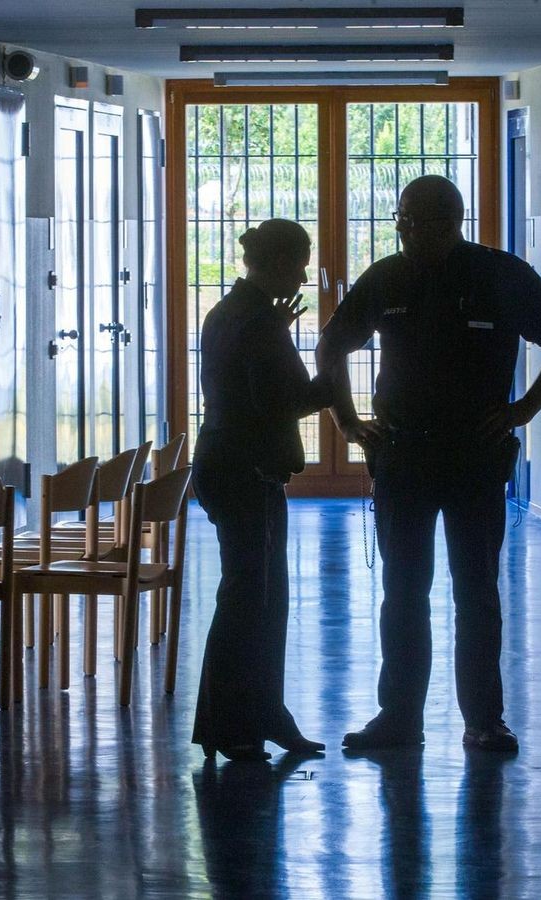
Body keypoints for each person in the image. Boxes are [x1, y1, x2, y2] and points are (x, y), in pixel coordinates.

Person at [316, 175, 541, 753]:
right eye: (403, 220)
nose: (408, 231)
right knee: (403, 592)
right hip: (404, 455)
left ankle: (484, 721)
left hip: (473, 457)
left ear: (452, 223)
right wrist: (347, 422)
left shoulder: (498, 274)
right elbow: (330, 346)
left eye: (421, 222)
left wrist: (522, 410)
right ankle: (399, 719)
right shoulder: (386, 277)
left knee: (476, 593)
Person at [192, 218, 331, 763]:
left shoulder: (231, 312)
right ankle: (237, 725)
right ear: (276, 263)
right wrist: (332, 374)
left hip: (225, 463)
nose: (303, 277)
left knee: (256, 597)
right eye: (299, 265)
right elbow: (288, 400)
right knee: (252, 601)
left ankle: (251, 719)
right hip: (246, 470)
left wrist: (280, 334)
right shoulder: (260, 322)